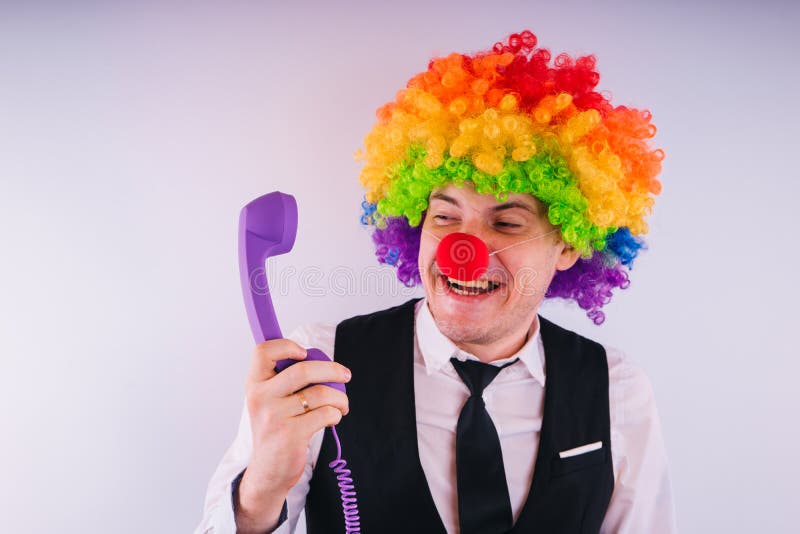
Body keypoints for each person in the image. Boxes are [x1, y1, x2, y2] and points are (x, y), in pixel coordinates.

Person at [195, 29, 676, 533]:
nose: (462, 253)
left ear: (570, 244)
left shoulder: (616, 390)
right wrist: (263, 488)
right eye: (445, 218)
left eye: (507, 224)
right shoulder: (319, 365)